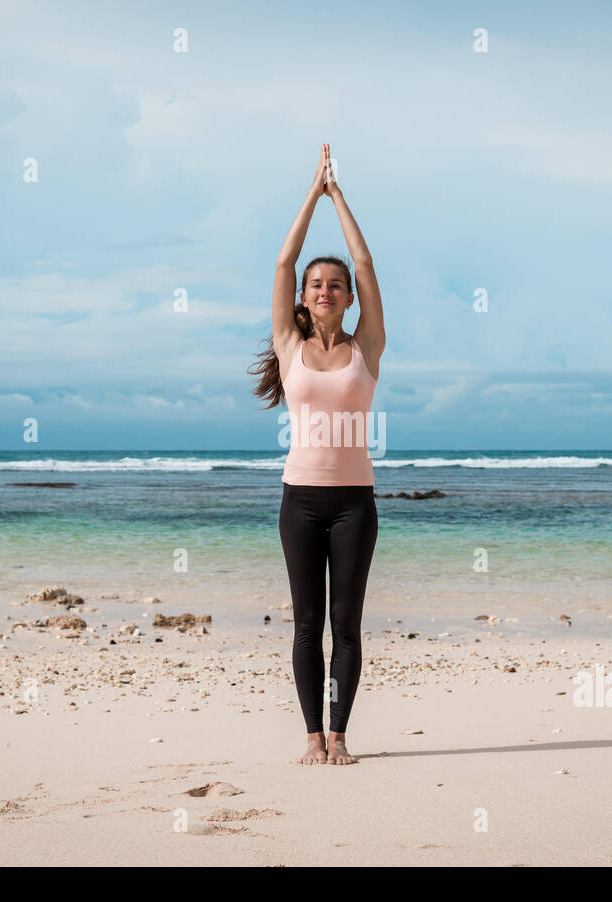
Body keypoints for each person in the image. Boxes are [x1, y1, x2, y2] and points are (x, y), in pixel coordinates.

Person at [248, 144, 385, 765]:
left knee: (347, 626)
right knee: (307, 624)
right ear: (304, 298)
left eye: (336, 286)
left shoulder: (367, 349)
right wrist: (312, 193)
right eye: (316, 285)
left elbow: (364, 258)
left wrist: (341, 196)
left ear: (348, 298)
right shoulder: (289, 345)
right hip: (299, 501)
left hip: (355, 503)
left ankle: (340, 736)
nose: (327, 290)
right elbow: (282, 261)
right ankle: (311, 736)